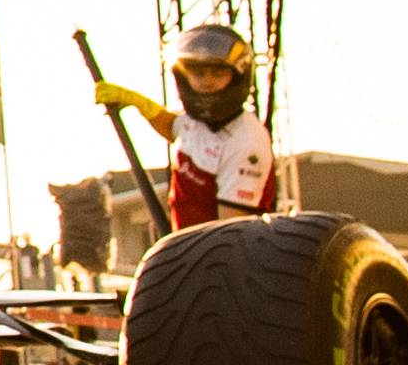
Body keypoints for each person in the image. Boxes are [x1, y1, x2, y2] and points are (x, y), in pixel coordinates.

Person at [94, 20, 277, 225]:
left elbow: (231, 231)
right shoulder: (198, 122)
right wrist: (138, 103)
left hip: (220, 251)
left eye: (218, 73)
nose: (207, 81)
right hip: (190, 247)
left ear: (236, 76)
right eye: (198, 73)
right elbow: (173, 128)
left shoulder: (246, 141)